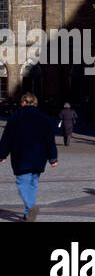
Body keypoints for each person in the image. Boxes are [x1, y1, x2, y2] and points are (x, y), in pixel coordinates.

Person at [0, 93, 58, 221]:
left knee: (22, 183)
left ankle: (30, 207)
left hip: (22, 156)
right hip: (39, 157)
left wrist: (2, 154)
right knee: (33, 183)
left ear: (24, 102)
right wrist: (53, 158)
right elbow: (50, 140)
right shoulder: (45, 118)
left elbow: (6, 138)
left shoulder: (15, 118)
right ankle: (27, 214)